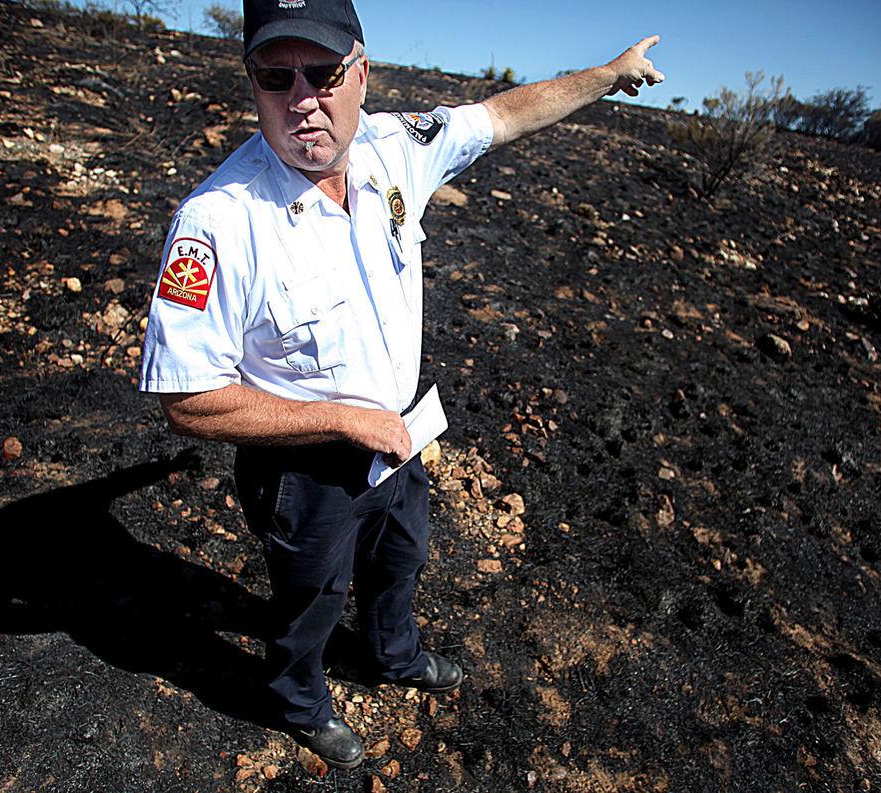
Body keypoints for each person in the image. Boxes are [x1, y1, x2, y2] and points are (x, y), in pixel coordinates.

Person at [138, 0, 664, 770]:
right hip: (304, 466)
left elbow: (502, 115)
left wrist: (608, 75)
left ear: (362, 71)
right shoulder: (218, 222)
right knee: (309, 597)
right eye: (274, 76)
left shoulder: (393, 149)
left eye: (322, 73)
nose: (302, 100)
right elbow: (186, 399)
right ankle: (299, 699)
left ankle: (394, 653)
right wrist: (345, 422)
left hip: (401, 433)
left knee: (401, 556)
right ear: (251, 82)